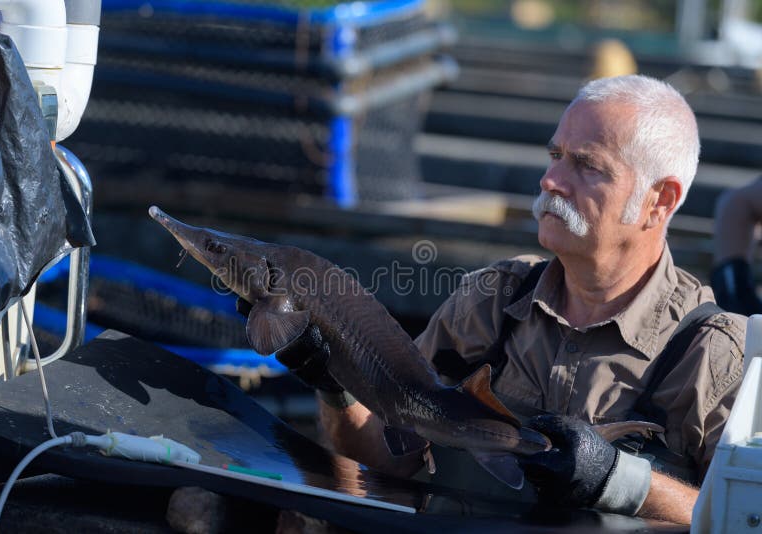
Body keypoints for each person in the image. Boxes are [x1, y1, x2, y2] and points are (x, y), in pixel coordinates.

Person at [243, 75, 746, 526]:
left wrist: (619, 481)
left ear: (660, 201)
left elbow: (748, 516)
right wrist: (336, 384)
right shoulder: (490, 301)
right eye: (555, 156)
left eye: (587, 166)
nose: (551, 181)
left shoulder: (713, 356)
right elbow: (385, 459)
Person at [710, 175, 762, 315]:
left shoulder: (741, 194)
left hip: (730, 270)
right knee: (740, 320)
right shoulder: (744, 196)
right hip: (732, 270)